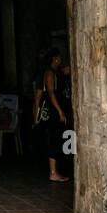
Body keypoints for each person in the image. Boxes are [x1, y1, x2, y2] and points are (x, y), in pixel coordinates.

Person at [38, 46, 71, 182]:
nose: (60, 60)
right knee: (55, 139)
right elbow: (51, 93)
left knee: (60, 138)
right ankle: (53, 172)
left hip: (59, 108)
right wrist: (60, 111)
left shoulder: (57, 72)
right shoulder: (50, 73)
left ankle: (56, 170)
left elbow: (67, 70)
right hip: (54, 111)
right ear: (55, 58)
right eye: (59, 57)